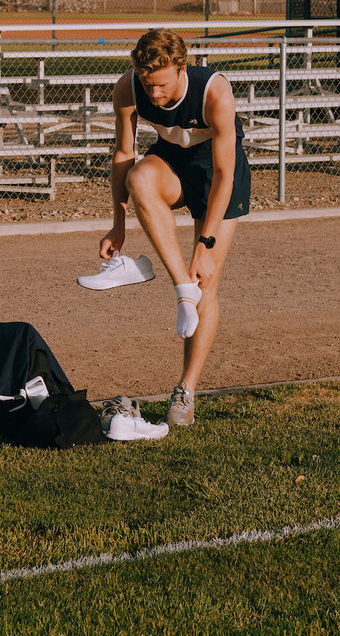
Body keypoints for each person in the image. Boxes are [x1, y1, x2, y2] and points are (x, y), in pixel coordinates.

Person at [86, 27, 252, 427]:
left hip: (217, 172)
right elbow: (124, 153)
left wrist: (205, 244)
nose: (153, 93)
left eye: (160, 84)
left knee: (206, 283)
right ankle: (182, 289)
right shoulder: (129, 86)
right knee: (140, 178)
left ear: (183, 68)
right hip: (172, 161)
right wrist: (118, 224)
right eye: (147, 83)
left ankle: (186, 391)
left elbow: (226, 173)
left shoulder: (215, 91)